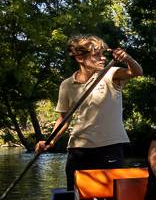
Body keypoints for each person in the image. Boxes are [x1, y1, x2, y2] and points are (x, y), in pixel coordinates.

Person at [36, 34, 142, 191]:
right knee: (79, 199)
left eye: (103, 54)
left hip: (110, 147)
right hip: (78, 149)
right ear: (80, 58)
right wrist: (50, 141)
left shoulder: (111, 74)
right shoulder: (66, 85)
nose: (103, 58)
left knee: (113, 198)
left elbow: (137, 72)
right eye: (96, 55)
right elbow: (64, 119)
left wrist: (128, 59)